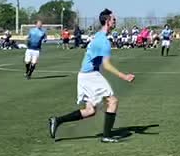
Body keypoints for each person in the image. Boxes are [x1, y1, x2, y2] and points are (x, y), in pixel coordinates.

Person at [48, 9, 135, 143]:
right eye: (113, 19)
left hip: (85, 75)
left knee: (90, 111)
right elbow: (106, 65)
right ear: (107, 21)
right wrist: (124, 76)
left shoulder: (99, 36)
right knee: (113, 101)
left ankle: (57, 120)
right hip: (90, 75)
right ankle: (106, 136)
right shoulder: (103, 41)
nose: (115, 21)